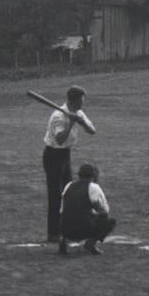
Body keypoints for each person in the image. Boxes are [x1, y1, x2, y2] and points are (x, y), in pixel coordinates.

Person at [42, 86, 96, 243]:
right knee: (55, 195)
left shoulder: (78, 112)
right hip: (53, 155)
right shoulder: (58, 116)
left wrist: (81, 122)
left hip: (65, 155)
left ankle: (66, 230)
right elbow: (60, 140)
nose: (83, 102)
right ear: (75, 100)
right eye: (82, 99)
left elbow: (92, 130)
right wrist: (71, 123)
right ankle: (53, 234)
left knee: (68, 193)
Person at [58, 163, 116, 256]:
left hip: (64, 229)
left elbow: (62, 210)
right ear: (93, 176)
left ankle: (63, 240)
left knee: (68, 216)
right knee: (110, 222)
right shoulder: (93, 187)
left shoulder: (69, 185)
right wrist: (93, 213)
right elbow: (104, 212)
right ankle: (91, 243)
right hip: (82, 230)